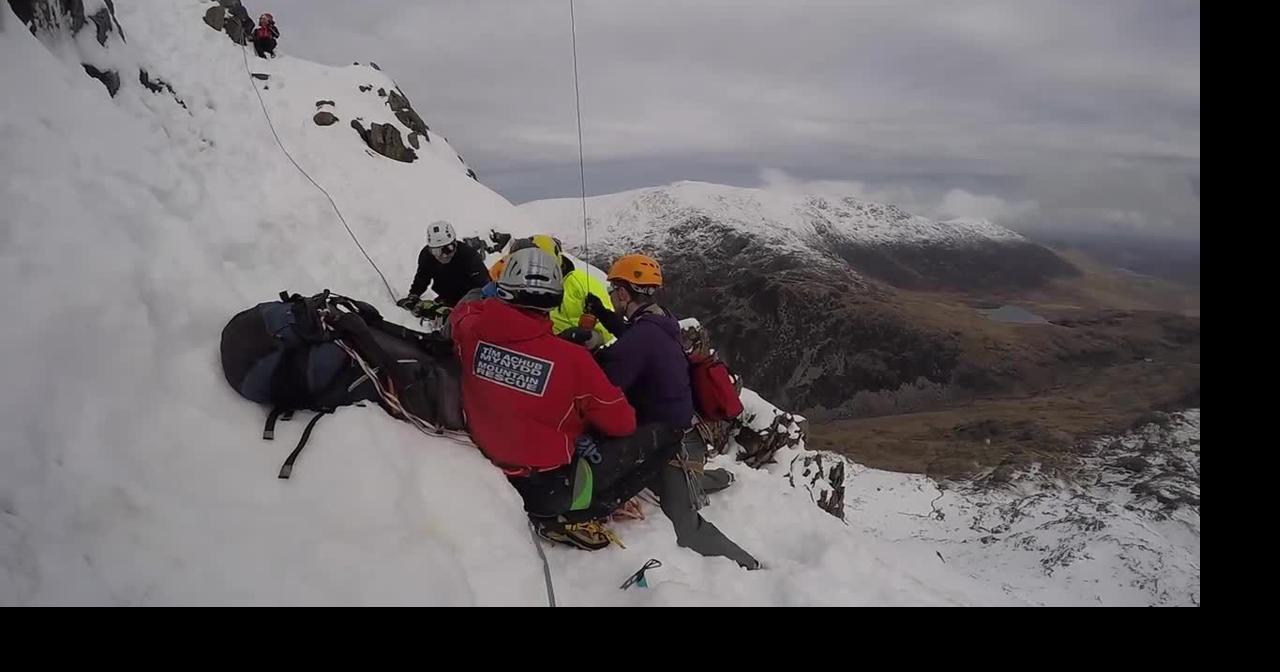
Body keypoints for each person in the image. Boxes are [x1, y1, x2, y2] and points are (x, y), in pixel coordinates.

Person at [448, 248, 682, 550]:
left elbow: (465, 312)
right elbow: (621, 423)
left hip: (490, 463)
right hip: (548, 490)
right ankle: (580, 513)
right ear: (555, 297)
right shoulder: (573, 361)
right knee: (667, 435)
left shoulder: (470, 331)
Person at [589, 253, 761, 569]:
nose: (612, 296)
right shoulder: (660, 319)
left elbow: (608, 379)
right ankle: (719, 477)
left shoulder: (643, 335)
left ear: (625, 294)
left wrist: (583, 354)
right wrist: (602, 313)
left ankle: (751, 565)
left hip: (674, 444)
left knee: (684, 524)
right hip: (679, 433)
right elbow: (635, 339)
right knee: (652, 478)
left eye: (614, 291)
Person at [488, 235, 614, 349]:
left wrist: (593, 338)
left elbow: (607, 322)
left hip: (574, 350)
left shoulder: (584, 283)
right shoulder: (509, 278)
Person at [397, 220, 489, 317]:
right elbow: (422, 277)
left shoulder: (469, 257)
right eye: (436, 251)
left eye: (448, 249)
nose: (442, 256)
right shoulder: (427, 256)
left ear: (455, 244)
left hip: (470, 302)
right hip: (445, 298)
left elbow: (483, 288)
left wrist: (463, 308)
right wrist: (414, 296)